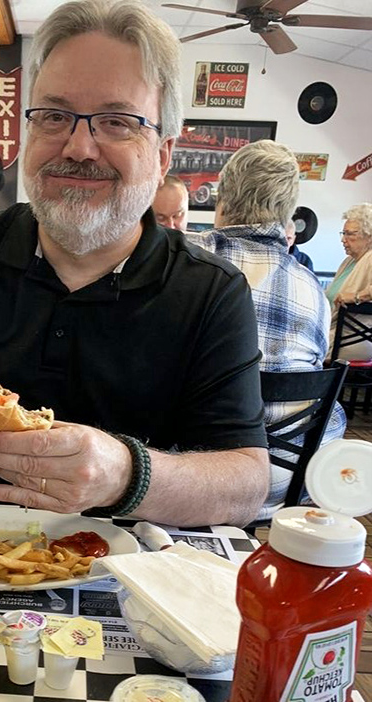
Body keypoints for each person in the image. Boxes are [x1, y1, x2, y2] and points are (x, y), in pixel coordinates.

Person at [0, 0, 269, 528]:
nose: (79, 147)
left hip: (128, 573)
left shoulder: (213, 291)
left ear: (163, 154)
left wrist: (127, 474)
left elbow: (244, 483)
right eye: (54, 116)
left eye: (116, 122)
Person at [187, 140, 345, 518]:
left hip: (191, 475)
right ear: (288, 213)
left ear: (221, 200)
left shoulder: (185, 260)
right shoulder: (313, 288)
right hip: (286, 481)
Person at [326, 203, 372, 360]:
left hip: (352, 340)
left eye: (349, 234)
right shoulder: (348, 262)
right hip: (333, 334)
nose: (343, 240)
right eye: (343, 233)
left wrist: (358, 296)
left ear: (369, 236)